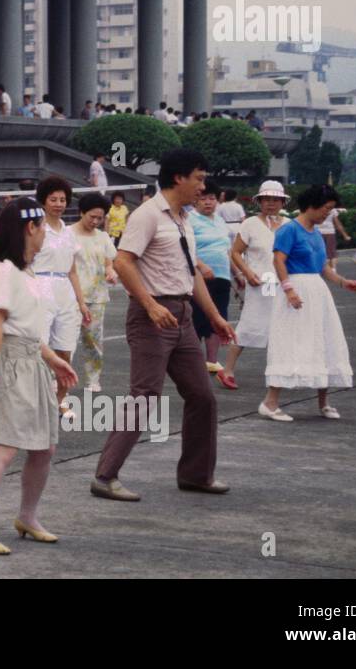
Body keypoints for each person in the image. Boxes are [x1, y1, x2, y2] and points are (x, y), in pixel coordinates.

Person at [91, 148, 234, 502]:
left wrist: (215, 317)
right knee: (145, 396)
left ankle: (196, 474)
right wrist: (150, 305)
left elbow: (191, 273)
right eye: (198, 179)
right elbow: (123, 263)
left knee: (202, 397)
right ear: (178, 178)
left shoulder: (182, 218)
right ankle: (105, 476)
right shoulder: (147, 215)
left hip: (181, 316)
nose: (203, 187)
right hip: (152, 317)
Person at [0, 199, 77, 554]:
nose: (45, 233)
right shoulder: (2, 271)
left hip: (32, 363)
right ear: (30, 228)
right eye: (42, 226)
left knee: (45, 446)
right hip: (9, 364)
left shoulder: (27, 274)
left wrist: (53, 359)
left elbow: (27, 329)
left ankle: (28, 516)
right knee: (5, 448)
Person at [259, 185, 356, 422]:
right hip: (296, 291)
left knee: (324, 340)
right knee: (291, 342)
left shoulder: (316, 233)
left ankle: (324, 401)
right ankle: (270, 402)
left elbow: (323, 267)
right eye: (326, 209)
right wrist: (288, 289)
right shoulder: (289, 230)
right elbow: (278, 260)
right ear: (312, 205)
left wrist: (343, 282)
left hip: (317, 292)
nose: (328, 214)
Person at [28, 176, 93, 419]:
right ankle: (37, 402)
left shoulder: (68, 232)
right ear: (43, 201)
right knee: (39, 348)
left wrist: (81, 302)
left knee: (65, 350)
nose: (58, 204)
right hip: (40, 287)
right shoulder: (35, 227)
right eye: (53, 199)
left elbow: (73, 270)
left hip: (64, 290)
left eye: (63, 200)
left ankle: (60, 400)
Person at [218, 180, 288, 390]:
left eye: (275, 199)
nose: (271, 203)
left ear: (282, 202)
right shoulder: (249, 224)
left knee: (280, 325)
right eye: (266, 199)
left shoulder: (288, 225)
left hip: (283, 282)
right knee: (251, 323)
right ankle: (228, 369)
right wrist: (247, 273)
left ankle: (278, 370)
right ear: (259, 201)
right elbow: (235, 252)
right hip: (261, 281)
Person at [70, 192, 117, 393]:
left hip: (97, 297)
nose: (95, 221)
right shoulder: (68, 234)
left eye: (100, 218)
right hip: (71, 294)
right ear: (82, 212)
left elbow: (109, 263)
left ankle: (93, 379)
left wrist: (110, 271)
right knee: (66, 338)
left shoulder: (103, 237)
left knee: (93, 340)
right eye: (92, 217)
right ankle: (59, 376)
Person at [190, 180, 234, 375]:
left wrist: (237, 273)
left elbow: (227, 249)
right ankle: (192, 361)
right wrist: (201, 265)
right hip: (198, 277)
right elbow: (185, 249)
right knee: (198, 317)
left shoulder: (219, 220)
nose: (208, 202)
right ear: (195, 201)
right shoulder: (189, 219)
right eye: (203, 198)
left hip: (222, 275)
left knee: (219, 318)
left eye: (212, 198)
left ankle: (212, 361)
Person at [316, 201, 351, 273]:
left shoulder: (316, 207)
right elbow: (338, 224)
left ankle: (326, 270)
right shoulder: (332, 210)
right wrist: (345, 235)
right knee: (332, 253)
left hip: (318, 232)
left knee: (321, 252)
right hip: (329, 232)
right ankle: (333, 270)